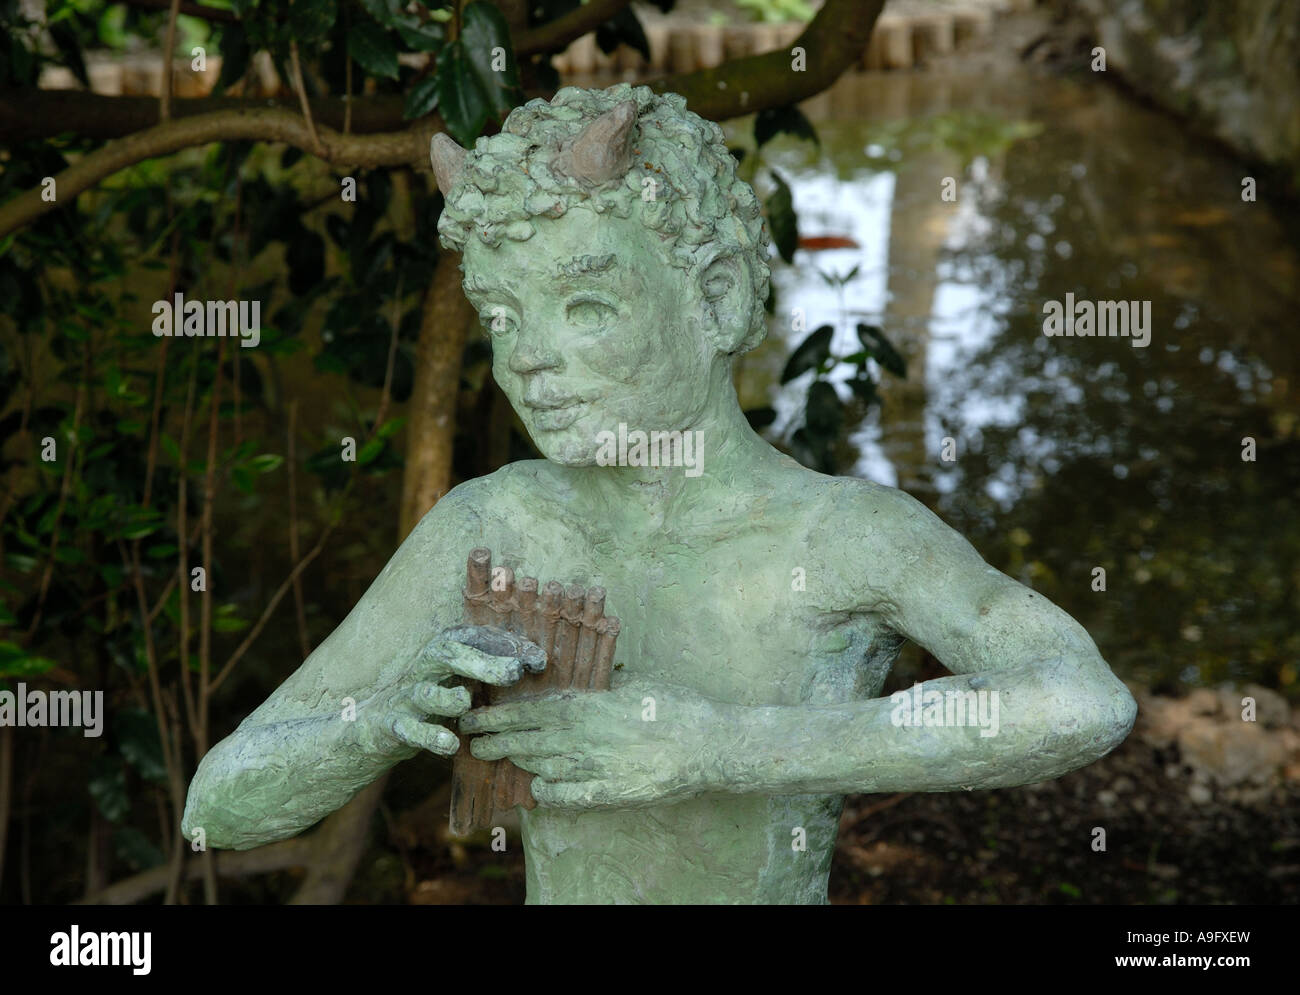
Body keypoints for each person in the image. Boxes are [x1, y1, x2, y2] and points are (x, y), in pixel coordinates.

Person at [183, 84, 1136, 904]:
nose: (528, 360)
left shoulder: (843, 536)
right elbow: (218, 805)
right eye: (503, 316)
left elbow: (1076, 699)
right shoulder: (495, 523)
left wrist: (725, 749)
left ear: (717, 299)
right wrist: (379, 720)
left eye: (586, 307)